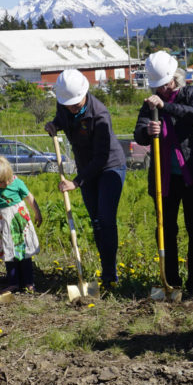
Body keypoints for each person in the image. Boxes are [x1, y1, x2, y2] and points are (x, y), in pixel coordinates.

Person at [134, 51, 193, 298]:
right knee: (165, 229)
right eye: (157, 87)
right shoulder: (150, 103)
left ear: (174, 78)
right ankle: (171, 282)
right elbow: (138, 132)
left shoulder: (192, 94)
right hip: (166, 178)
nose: (160, 91)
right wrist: (147, 131)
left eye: (164, 85)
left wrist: (167, 107)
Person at [44, 68, 126, 288]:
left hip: (109, 167)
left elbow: (100, 158)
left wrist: (76, 182)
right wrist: (54, 125)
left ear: (84, 93)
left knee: (106, 220)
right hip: (85, 169)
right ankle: (106, 272)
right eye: (68, 104)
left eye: (75, 104)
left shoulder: (100, 115)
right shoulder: (64, 103)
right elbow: (62, 119)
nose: (72, 107)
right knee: (96, 222)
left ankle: (110, 276)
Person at [0, 155, 43, 294]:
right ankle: (13, 282)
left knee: (24, 252)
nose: (6, 183)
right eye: (1, 182)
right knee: (9, 252)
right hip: (4, 225)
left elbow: (29, 197)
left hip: (20, 221)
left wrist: (37, 212)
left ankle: (29, 282)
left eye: (8, 179)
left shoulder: (17, 183)